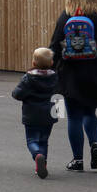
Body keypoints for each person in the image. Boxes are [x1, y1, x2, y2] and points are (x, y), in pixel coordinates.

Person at [49, 0, 97, 171]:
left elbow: (54, 45)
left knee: (74, 116)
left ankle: (77, 159)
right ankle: (94, 143)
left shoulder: (66, 16)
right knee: (89, 113)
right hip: (93, 72)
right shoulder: (96, 15)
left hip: (71, 73)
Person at [12, 47, 59, 179]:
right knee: (44, 140)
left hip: (31, 114)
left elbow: (17, 94)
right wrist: (59, 113)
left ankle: (37, 155)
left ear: (33, 63)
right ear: (51, 63)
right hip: (49, 114)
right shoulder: (55, 77)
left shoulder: (28, 78)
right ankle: (43, 163)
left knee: (32, 139)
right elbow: (59, 94)